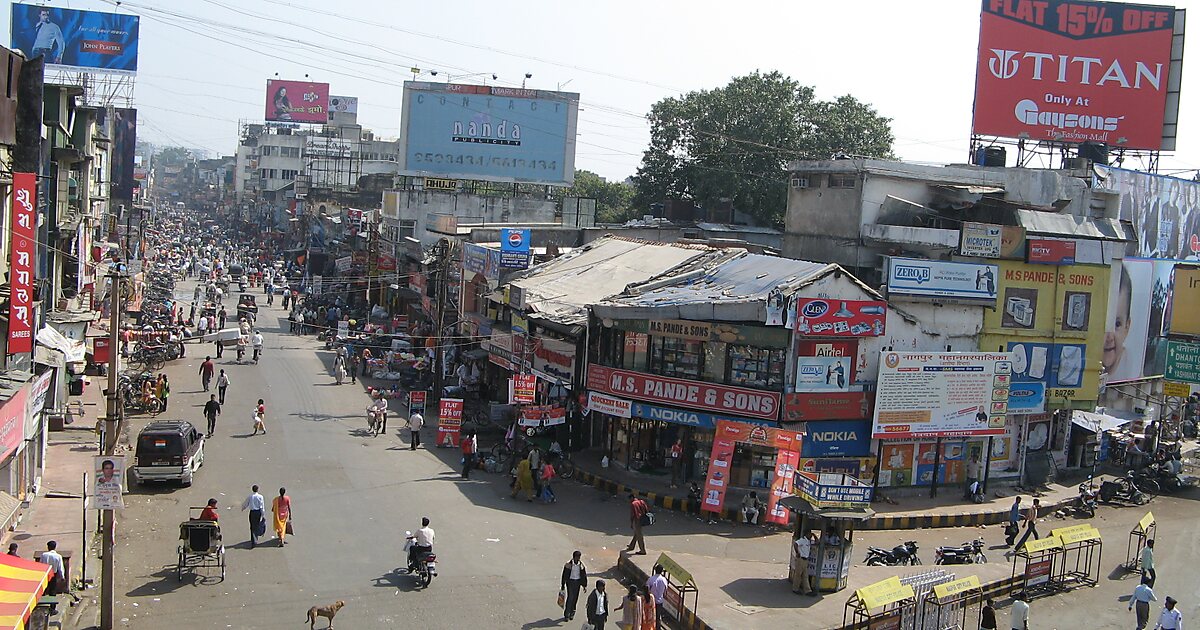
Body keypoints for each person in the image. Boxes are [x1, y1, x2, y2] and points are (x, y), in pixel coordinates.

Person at [560, 550, 588, 622]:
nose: (578, 558)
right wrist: (563, 584)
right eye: (577, 557)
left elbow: (584, 576)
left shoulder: (581, 566)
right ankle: (567, 614)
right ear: (574, 557)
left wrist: (584, 585)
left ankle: (572, 612)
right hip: (570, 582)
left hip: (577, 582)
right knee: (570, 598)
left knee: (575, 598)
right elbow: (564, 575)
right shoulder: (568, 565)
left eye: (579, 557)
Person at [791, 531, 816, 595]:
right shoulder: (802, 540)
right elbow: (795, 544)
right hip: (801, 559)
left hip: (806, 560)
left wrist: (814, 535)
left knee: (805, 576)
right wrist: (797, 552)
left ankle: (808, 591)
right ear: (806, 534)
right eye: (809, 534)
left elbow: (817, 542)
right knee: (798, 575)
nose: (810, 535)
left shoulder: (809, 541)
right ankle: (795, 589)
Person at [646, 564, 667, 628]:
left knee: (650, 616)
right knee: (658, 617)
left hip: (651, 601)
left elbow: (646, 589)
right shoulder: (664, 580)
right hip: (660, 601)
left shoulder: (651, 579)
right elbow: (665, 590)